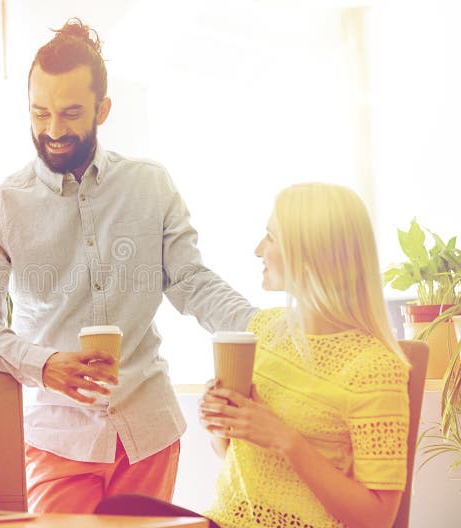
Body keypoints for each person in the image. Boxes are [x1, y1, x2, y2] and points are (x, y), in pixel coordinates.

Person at [0, 18, 256, 513]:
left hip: (149, 433)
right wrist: (43, 365)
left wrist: (266, 329)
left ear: (103, 109)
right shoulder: (2, 205)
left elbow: (192, 282)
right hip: (59, 436)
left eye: (71, 114)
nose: (53, 131)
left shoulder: (150, 185)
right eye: (40, 112)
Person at [98, 182, 411, 527]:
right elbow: (230, 453)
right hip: (224, 521)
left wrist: (286, 440)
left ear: (310, 252)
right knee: (114, 512)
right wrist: (225, 420)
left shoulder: (375, 368)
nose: (258, 249)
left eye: (271, 237)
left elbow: (378, 519)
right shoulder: (264, 330)